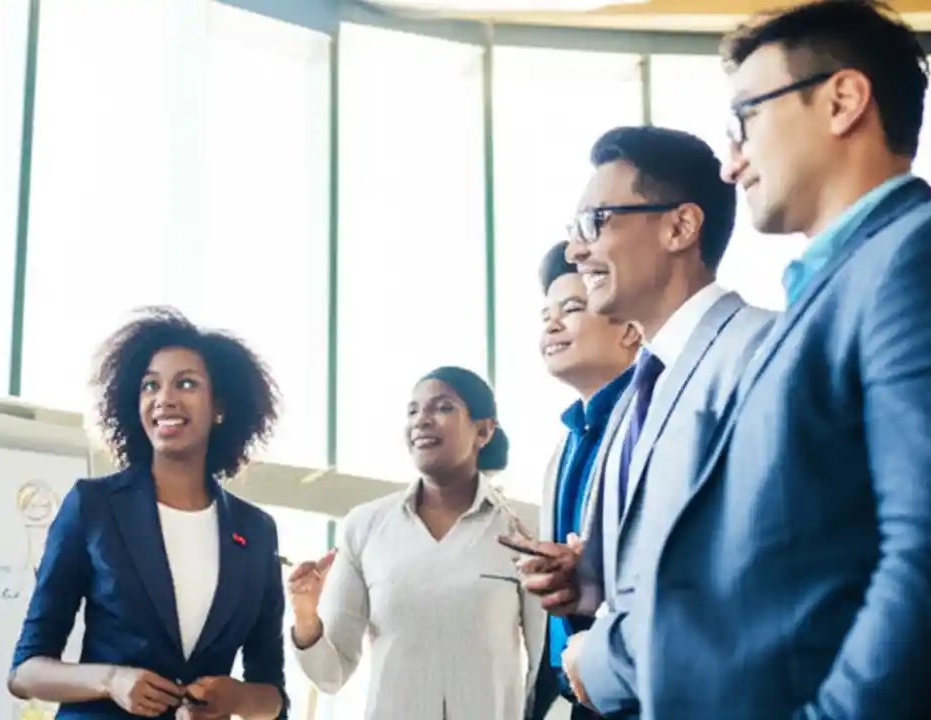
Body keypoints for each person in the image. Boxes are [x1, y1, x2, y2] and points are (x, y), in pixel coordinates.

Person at [646, 1, 931, 717]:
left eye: (745, 120)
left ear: (843, 100)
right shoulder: (831, 289)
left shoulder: (922, 256)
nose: (730, 163)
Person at [510, 126, 775, 718]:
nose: (577, 252)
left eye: (595, 222)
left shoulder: (765, 356)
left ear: (680, 227)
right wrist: (589, 584)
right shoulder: (634, 395)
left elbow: (756, 578)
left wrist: (597, 660)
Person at [9, 307, 287, 720]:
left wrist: (238, 699)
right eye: (150, 386)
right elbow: (26, 671)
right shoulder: (94, 506)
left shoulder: (256, 530)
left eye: (186, 384)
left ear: (220, 407)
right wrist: (111, 680)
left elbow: (273, 696)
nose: (164, 399)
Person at [289, 366, 542, 720]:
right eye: (413, 411)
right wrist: (305, 613)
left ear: (483, 431)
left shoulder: (526, 529)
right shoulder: (365, 526)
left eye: (442, 408)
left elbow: (543, 668)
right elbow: (331, 675)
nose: (422, 420)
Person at [526, 241, 639, 720]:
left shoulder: (651, 424)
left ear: (631, 329)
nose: (551, 324)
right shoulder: (565, 445)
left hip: (638, 679)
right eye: (545, 313)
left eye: (571, 308)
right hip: (581, 692)